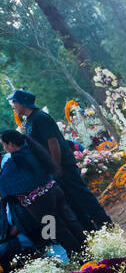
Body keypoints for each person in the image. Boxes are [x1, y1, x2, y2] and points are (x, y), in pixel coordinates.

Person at [8, 89, 111, 232]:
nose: (13, 106)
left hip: (63, 165)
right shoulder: (29, 121)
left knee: (82, 196)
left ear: (23, 102)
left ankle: (106, 224)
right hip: (54, 169)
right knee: (71, 202)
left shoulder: (40, 118)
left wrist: (56, 166)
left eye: (14, 102)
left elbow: (53, 142)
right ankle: (91, 231)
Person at [0, 129, 85, 256]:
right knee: (70, 220)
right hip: (54, 191)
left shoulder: (15, 161)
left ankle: (78, 255)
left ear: (11, 144)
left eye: (4, 144)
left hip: (40, 203)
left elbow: (4, 182)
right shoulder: (31, 150)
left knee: (56, 230)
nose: (4, 148)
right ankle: (87, 248)